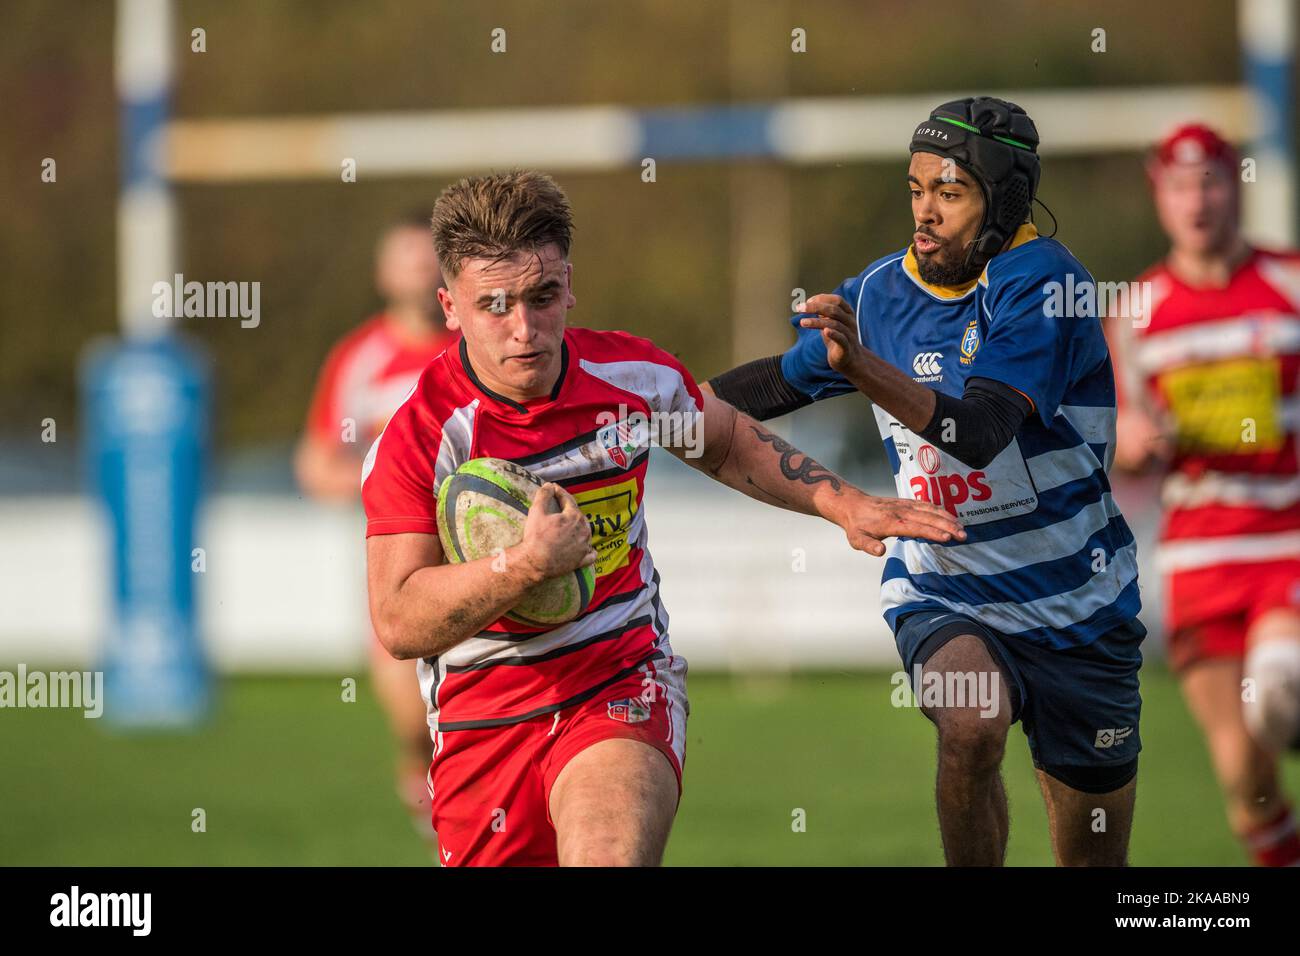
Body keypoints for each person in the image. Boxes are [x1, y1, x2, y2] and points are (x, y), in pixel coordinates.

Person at [361, 169, 963, 866]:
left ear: (570, 287)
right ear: (450, 307)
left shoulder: (631, 379)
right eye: (494, 305)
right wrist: (524, 565)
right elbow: (400, 620)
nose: (524, 329)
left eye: (542, 296)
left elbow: (728, 440)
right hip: (484, 718)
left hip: (617, 681)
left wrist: (843, 501)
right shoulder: (418, 439)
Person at [706, 97, 1145, 865]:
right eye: (916, 190)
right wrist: (641, 406)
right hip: (945, 586)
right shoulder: (878, 294)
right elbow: (778, 383)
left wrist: (863, 367)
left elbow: (977, 435)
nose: (925, 213)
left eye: (950, 193)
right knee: (971, 723)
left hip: (1080, 597)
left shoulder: (1044, 281)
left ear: (1004, 201)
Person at [1107, 122, 1300, 866]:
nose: (1198, 201)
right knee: (1242, 773)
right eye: (1181, 186)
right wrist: (1128, 446)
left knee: (1279, 688)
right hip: (1200, 557)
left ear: (1236, 188)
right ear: (1161, 196)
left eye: (1212, 182)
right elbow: (1122, 442)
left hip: (1286, 541)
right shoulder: (1134, 314)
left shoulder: (1287, 285)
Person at [295, 211, 456, 836]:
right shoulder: (358, 359)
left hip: (477, 559)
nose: (418, 269)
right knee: (413, 718)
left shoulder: (477, 348)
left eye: (428, 258)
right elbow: (314, 465)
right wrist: (393, 487)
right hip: (395, 560)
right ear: (382, 272)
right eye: (406, 258)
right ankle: (420, 776)